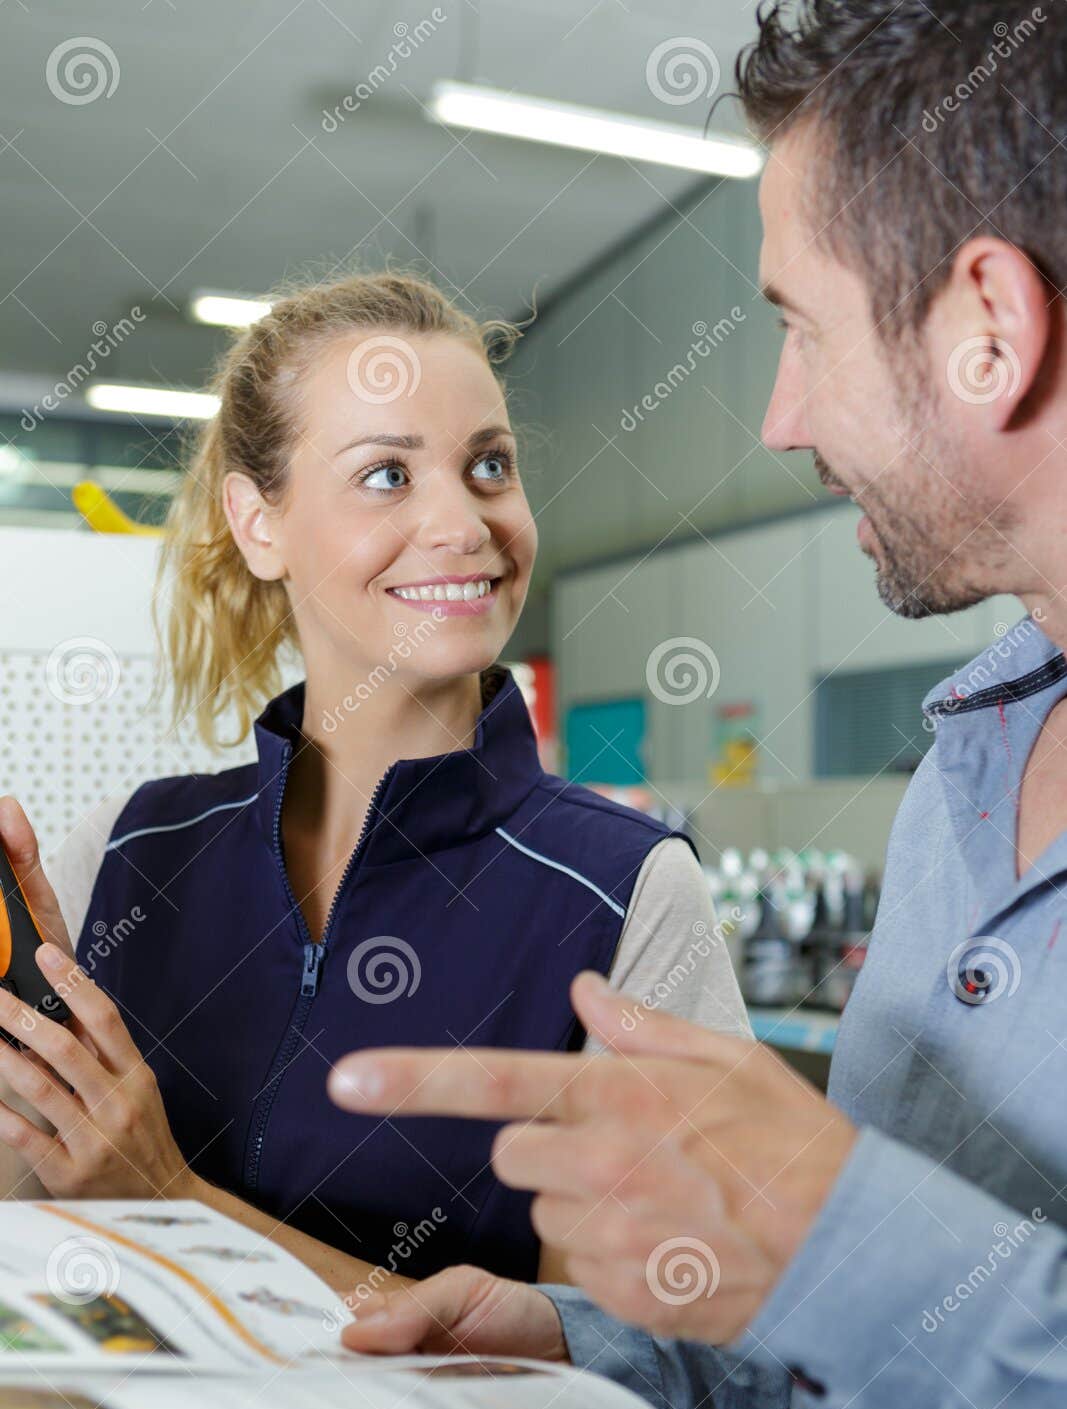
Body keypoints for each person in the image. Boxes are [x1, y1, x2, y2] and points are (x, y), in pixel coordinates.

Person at [333, 1, 1067, 1409]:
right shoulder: (972, 759)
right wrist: (594, 1341)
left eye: (795, 327)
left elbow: (874, 1274)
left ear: (987, 329)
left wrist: (830, 1219)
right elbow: (866, 1352)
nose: (776, 417)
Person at [0, 272, 746, 1294]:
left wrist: (176, 1200)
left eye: (488, 466)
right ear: (258, 523)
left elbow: (615, 1371)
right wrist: (27, 1057)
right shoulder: (127, 852)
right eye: (387, 476)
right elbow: (31, 1236)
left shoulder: (625, 895)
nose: (463, 523)